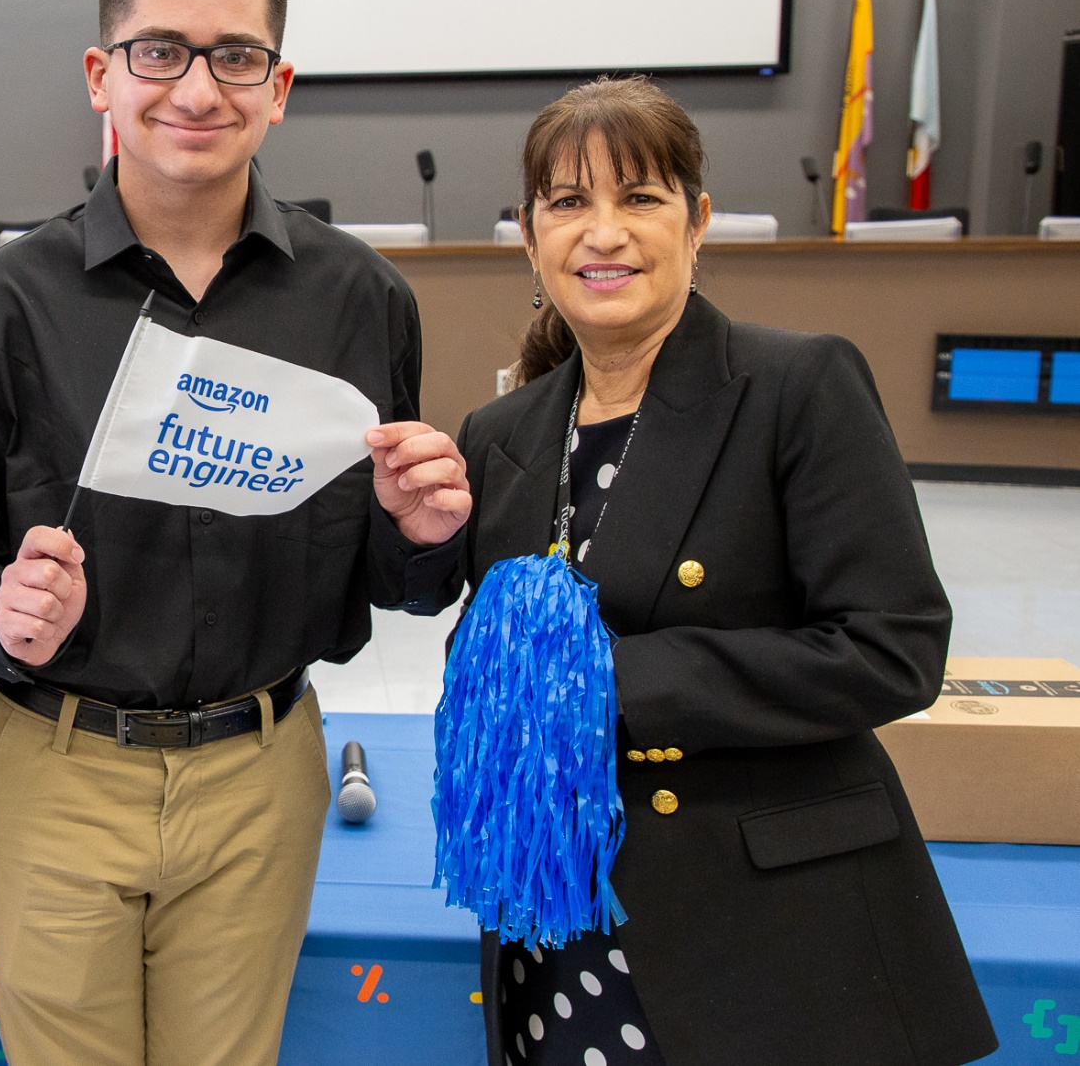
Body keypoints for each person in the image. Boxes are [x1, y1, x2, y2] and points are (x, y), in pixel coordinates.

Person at [0, 0, 468, 1066]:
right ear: (100, 76)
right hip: (52, 764)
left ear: (278, 87)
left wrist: (421, 541)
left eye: (236, 57)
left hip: (261, 770)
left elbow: (394, 581)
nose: (196, 88)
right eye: (159, 50)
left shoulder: (358, 300)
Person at [384, 77, 997, 1066]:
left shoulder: (796, 388)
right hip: (557, 925)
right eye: (567, 202)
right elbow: (477, 641)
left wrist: (613, 683)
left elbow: (892, 651)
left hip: (760, 936)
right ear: (530, 237)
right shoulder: (503, 432)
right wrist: (421, 539)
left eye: (638, 198)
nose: (602, 232)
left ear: (696, 220)